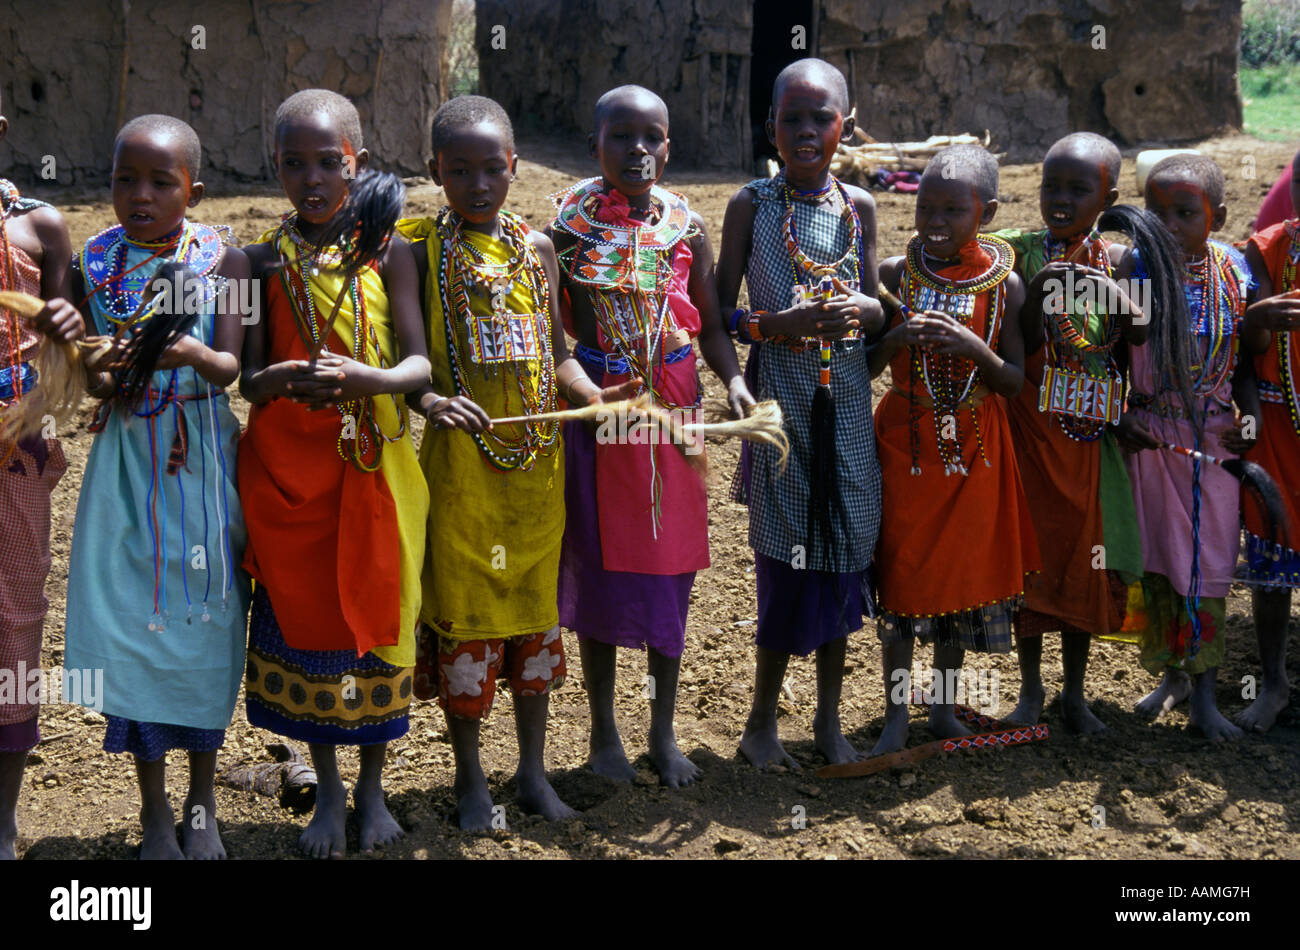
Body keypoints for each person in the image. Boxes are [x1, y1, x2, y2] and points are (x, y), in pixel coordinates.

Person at [397, 95, 620, 829]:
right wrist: (430, 402)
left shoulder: (538, 249)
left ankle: (532, 773)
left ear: (515, 166)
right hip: (462, 478)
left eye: (492, 168)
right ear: (435, 171)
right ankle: (470, 782)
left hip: (536, 479)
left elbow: (558, 354)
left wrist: (593, 392)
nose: (478, 184)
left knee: (534, 624)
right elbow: (411, 357)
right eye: (459, 170)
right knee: (467, 627)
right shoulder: (417, 248)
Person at [239, 90, 430, 856]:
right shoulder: (255, 261)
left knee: (376, 628)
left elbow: (415, 362)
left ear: (356, 161)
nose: (312, 178)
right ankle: (329, 790)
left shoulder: (390, 251)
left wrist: (370, 382)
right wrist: (286, 374)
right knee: (310, 627)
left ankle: (376, 790)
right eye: (294, 164)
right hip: (291, 478)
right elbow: (245, 379)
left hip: (374, 466)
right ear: (275, 167)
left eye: (329, 163)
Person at [548, 85, 754, 787]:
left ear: (670, 145)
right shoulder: (566, 232)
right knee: (602, 566)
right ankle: (605, 732)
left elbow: (715, 323)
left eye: (653, 137)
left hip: (674, 408)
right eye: (622, 137)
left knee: (671, 569)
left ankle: (663, 732)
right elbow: (557, 339)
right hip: (603, 408)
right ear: (594, 146)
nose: (638, 151)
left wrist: (733, 382)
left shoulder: (686, 227)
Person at [63, 115, 250, 859]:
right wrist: (102, 365)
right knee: (131, 628)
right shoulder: (93, 263)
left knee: (206, 623)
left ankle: (202, 803)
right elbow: (79, 369)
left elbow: (232, 367)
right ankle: (152, 814)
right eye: (124, 179)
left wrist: (186, 351)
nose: (139, 196)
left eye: (160, 183)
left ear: (193, 190)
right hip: (125, 464)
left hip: (202, 456)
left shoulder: (227, 262)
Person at [716, 58, 884, 770]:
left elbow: (879, 308)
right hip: (783, 410)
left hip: (846, 409)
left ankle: (826, 722)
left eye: (821, 118)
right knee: (786, 562)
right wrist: (773, 328)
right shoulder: (751, 205)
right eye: (793, 119)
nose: (807, 130)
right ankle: (760, 723)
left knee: (843, 559)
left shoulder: (859, 208)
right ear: (772, 128)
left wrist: (866, 309)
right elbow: (718, 314)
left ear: (844, 127)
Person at [868, 144, 1037, 754]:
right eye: (925, 206)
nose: (935, 220)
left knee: (954, 584)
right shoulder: (892, 276)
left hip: (976, 448)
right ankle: (893, 716)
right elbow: (864, 367)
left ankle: (939, 708)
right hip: (905, 443)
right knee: (905, 578)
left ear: (986, 213)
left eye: (953, 210)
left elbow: (1016, 380)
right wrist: (896, 339)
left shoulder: (1006, 286)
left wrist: (974, 348)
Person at [996, 133, 1148, 733]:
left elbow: (1137, 336)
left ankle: (1076, 696)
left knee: (1085, 560)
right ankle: (1031, 692)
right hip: (1031, 432)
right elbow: (1024, 343)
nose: (1060, 200)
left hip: (1089, 439)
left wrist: (1103, 289)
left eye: (1077, 190)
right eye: (1050, 187)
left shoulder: (1120, 261)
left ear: (1107, 197)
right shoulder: (1016, 254)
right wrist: (1040, 289)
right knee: (1037, 560)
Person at [1114, 153, 1253, 740]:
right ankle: (1172, 676)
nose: (1167, 225)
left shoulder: (1236, 274)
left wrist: (1248, 425)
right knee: (1161, 566)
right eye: (1156, 212)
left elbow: (1247, 360)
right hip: (1150, 437)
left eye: (1185, 213)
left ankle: (1205, 697)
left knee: (1208, 567)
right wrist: (1120, 416)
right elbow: (1113, 358)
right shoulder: (1132, 272)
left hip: (1213, 440)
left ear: (1216, 218)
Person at [0, 85, 84, 860]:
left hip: (15, 464)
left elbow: (70, 351)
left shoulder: (38, 227)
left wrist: (64, 323)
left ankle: (4, 818)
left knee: (15, 635)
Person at [1233, 145, 1300, 732]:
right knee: (1272, 555)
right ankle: (1273, 680)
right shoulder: (1265, 250)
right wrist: (1257, 322)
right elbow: (1244, 354)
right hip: (1278, 425)